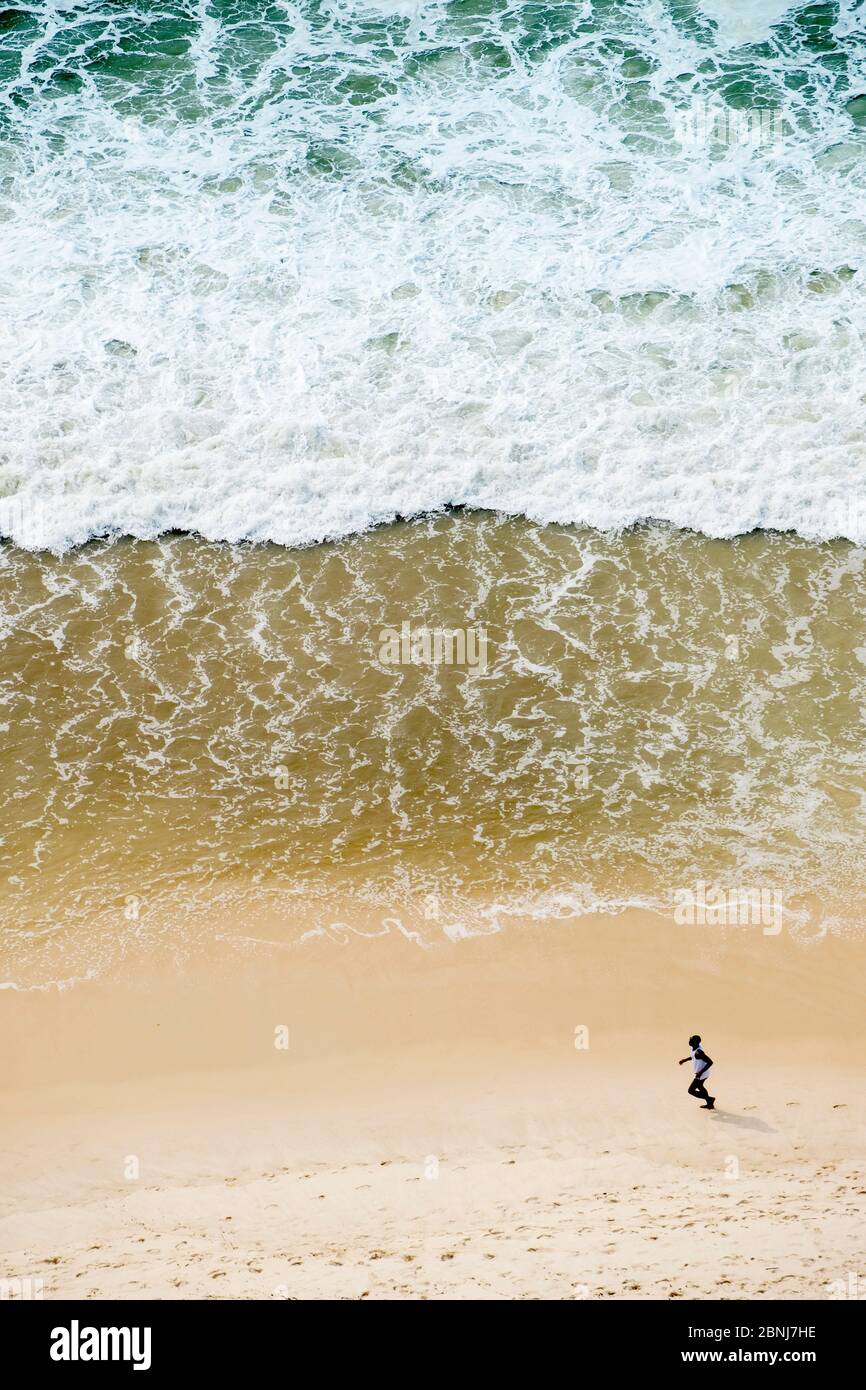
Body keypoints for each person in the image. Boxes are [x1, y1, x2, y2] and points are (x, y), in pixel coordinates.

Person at [678, 1034, 715, 1108]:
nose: (689, 1041)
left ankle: (709, 1099)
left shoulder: (699, 1052)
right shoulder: (694, 1047)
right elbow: (693, 1056)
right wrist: (685, 1060)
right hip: (702, 1073)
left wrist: (700, 1073)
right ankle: (710, 1103)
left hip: (702, 1074)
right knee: (700, 1087)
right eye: (690, 1039)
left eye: (691, 1040)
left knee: (691, 1090)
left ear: (695, 1042)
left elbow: (710, 1062)